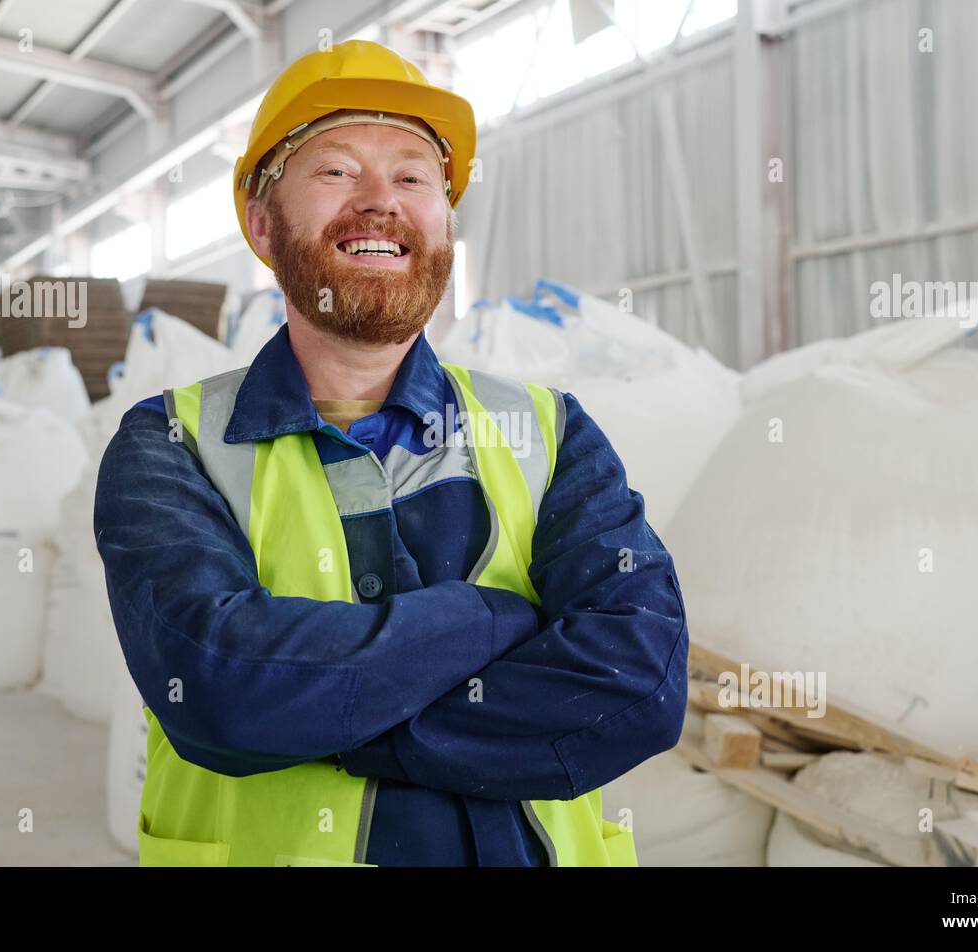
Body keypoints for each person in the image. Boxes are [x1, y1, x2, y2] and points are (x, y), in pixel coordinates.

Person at [94, 39, 688, 867]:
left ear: (444, 225)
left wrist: (348, 719)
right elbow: (222, 690)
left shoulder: (550, 430)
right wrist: (498, 619)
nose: (381, 202)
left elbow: (640, 681)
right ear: (263, 224)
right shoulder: (172, 445)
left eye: (413, 178)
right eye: (336, 171)